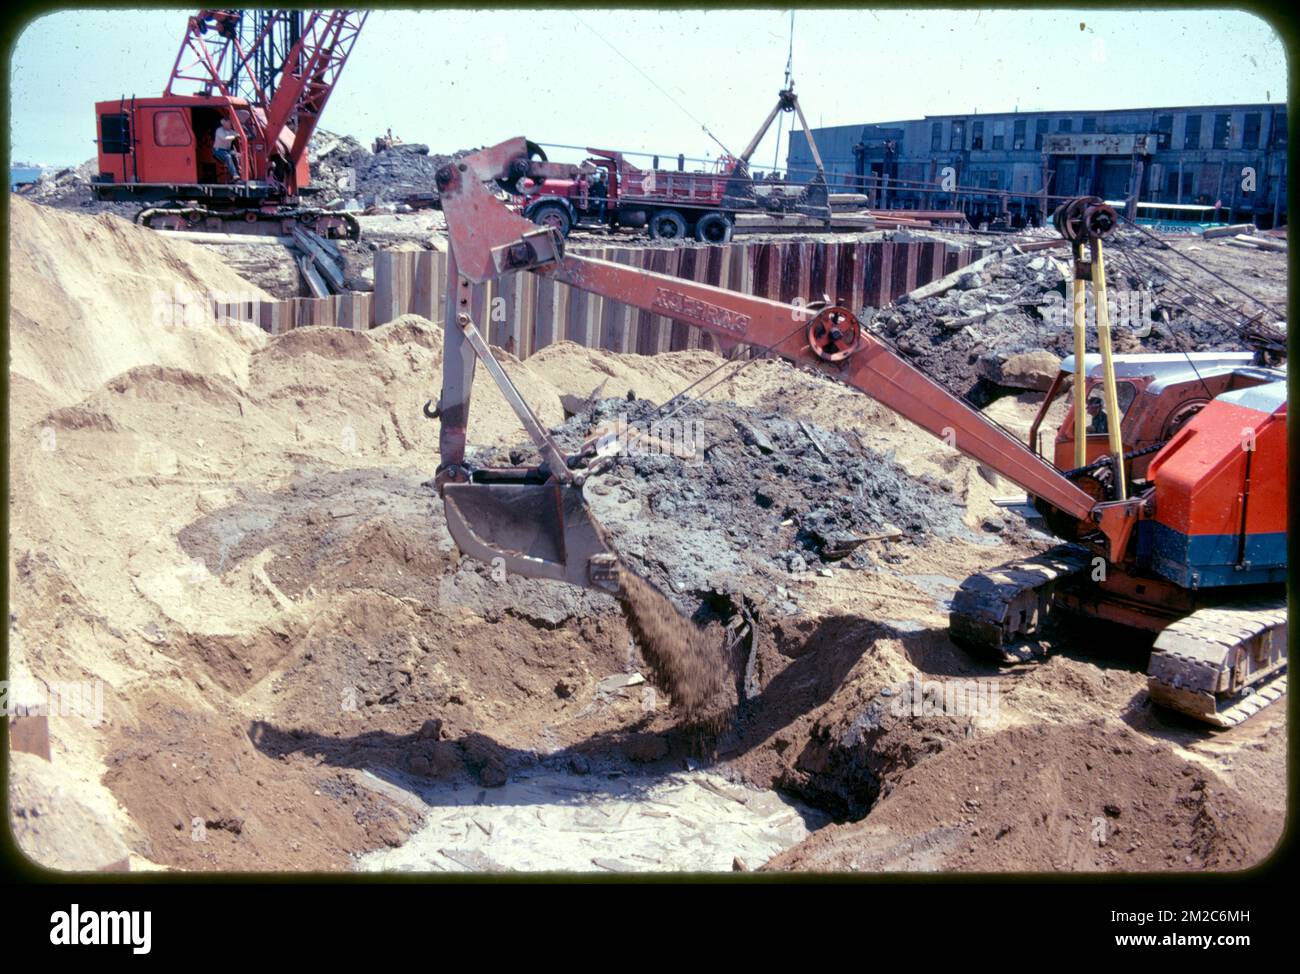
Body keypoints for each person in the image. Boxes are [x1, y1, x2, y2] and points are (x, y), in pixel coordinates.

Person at [213, 118, 241, 182]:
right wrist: (235, 136)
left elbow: (238, 134)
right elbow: (225, 138)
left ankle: (238, 174)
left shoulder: (231, 131)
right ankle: (234, 175)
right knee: (227, 156)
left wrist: (239, 135)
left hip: (227, 150)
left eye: (230, 123)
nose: (230, 124)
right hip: (218, 151)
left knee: (237, 155)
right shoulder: (219, 130)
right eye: (228, 123)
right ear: (224, 124)